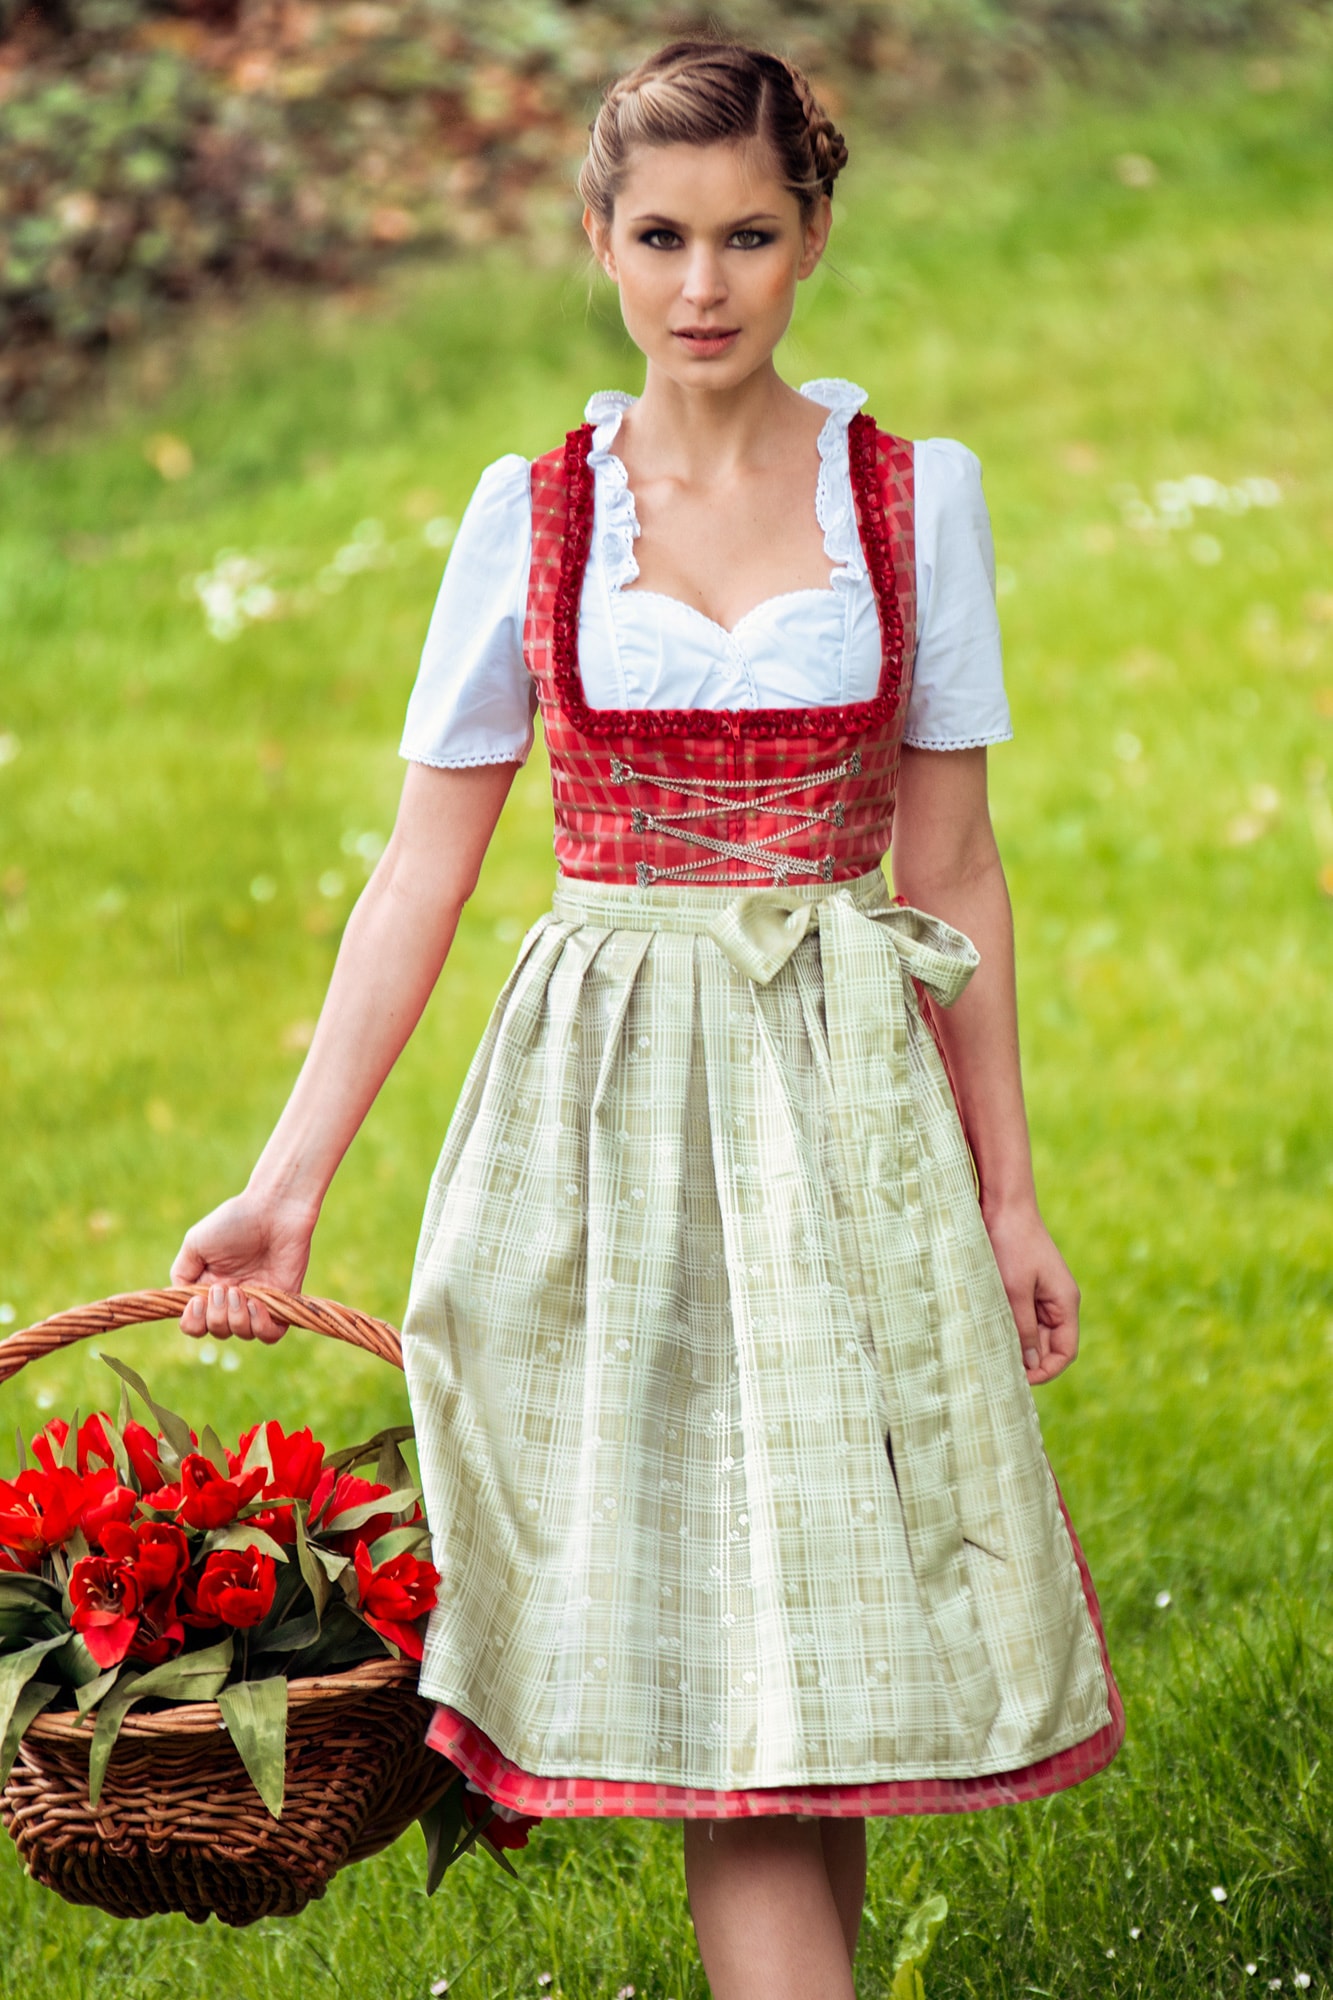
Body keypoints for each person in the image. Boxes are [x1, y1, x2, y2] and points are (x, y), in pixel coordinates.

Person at [172, 39, 1123, 1999]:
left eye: (751, 236)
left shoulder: (905, 499)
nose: (705, 286)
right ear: (598, 240)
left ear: (813, 238)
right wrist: (288, 1181)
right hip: (606, 1109)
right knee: (722, 1663)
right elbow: (421, 875)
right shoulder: (529, 522)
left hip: (843, 1093)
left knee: (819, 1637)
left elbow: (948, 867)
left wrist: (1007, 1195)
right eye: (664, 236)